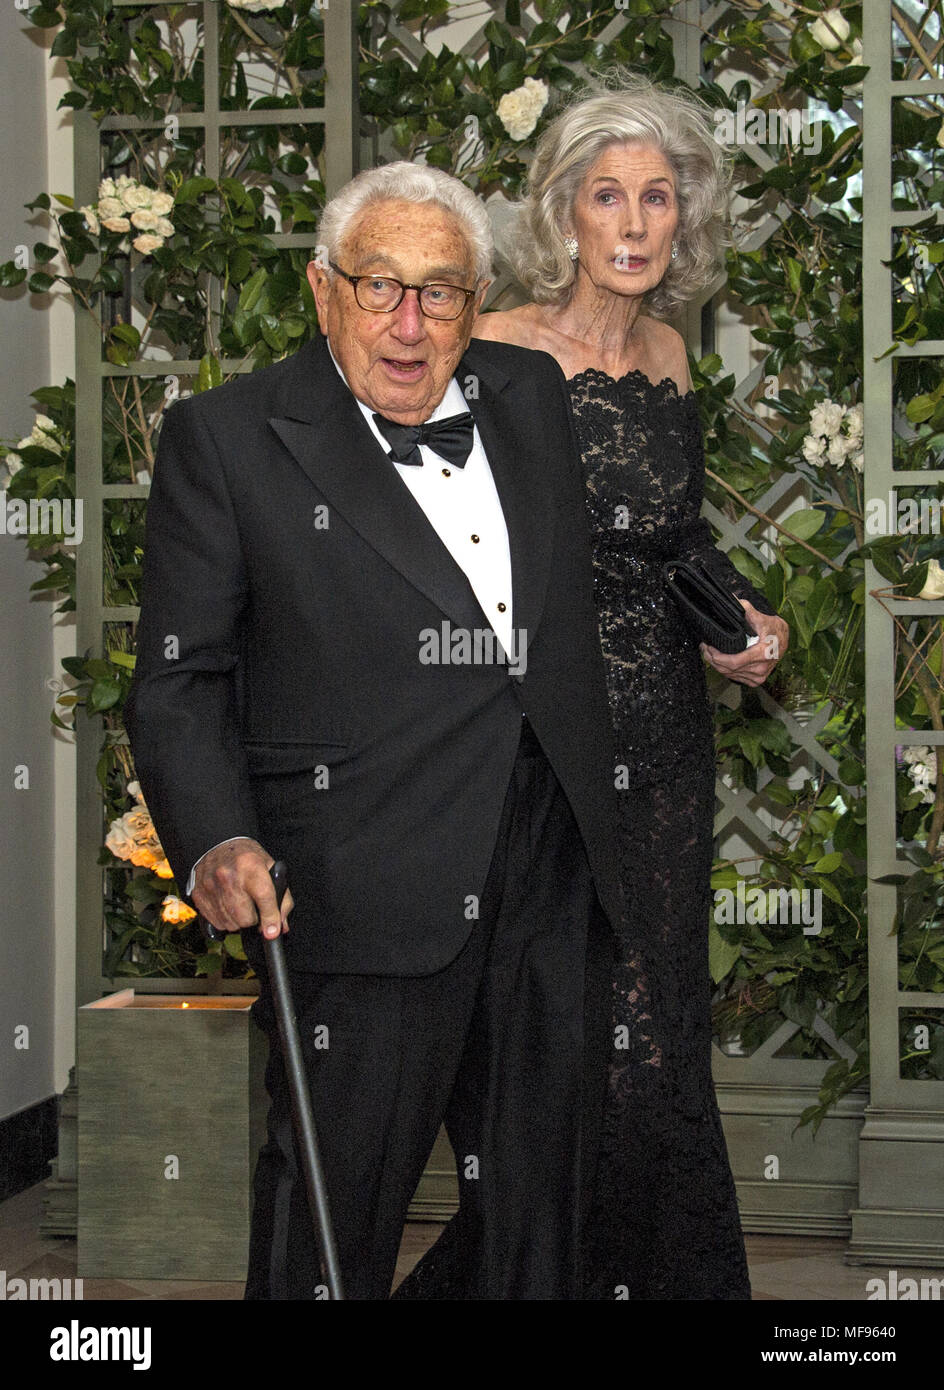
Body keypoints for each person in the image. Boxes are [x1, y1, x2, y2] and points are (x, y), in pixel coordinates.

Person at [124, 160, 624, 1301]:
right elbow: (178, 678)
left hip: (546, 864)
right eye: (379, 287)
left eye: (440, 292)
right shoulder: (229, 437)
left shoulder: (531, 390)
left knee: (540, 1214)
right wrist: (212, 840)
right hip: (354, 884)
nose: (409, 324)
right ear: (320, 290)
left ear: (477, 297)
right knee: (331, 1219)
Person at [394, 77, 790, 1301]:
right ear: (563, 214)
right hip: (541, 747)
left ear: (684, 220)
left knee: (662, 1032)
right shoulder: (499, 348)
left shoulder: (671, 351)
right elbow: (432, 553)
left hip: (667, 744)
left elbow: (672, 544)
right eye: (605, 195)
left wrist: (745, 625)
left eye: (656, 197)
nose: (632, 221)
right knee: (565, 1048)